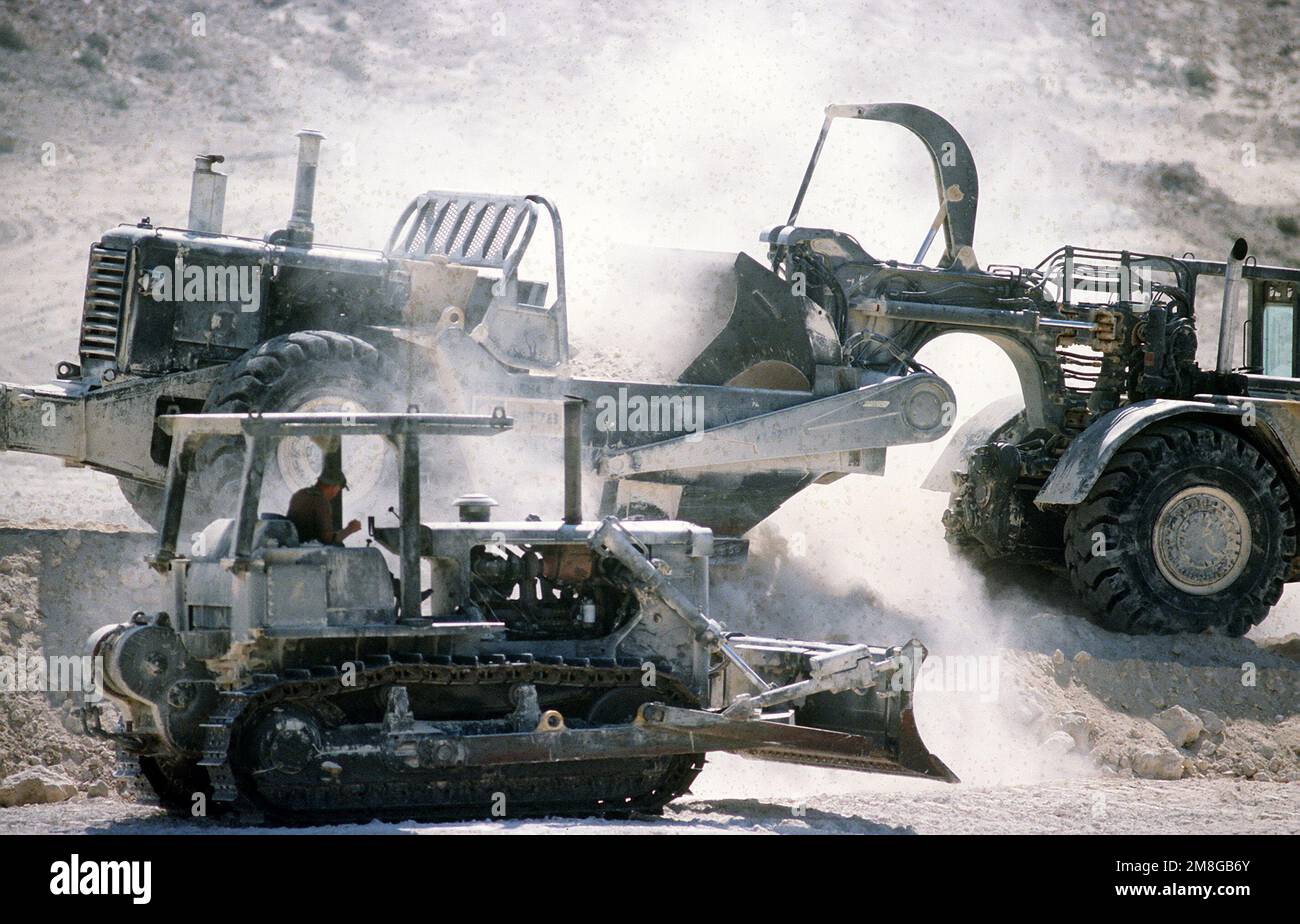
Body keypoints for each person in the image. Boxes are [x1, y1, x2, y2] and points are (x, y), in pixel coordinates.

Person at [286, 465, 361, 546]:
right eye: (338, 490)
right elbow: (327, 539)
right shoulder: (321, 502)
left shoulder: (300, 494)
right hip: (310, 551)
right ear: (334, 487)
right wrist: (350, 529)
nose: (336, 494)